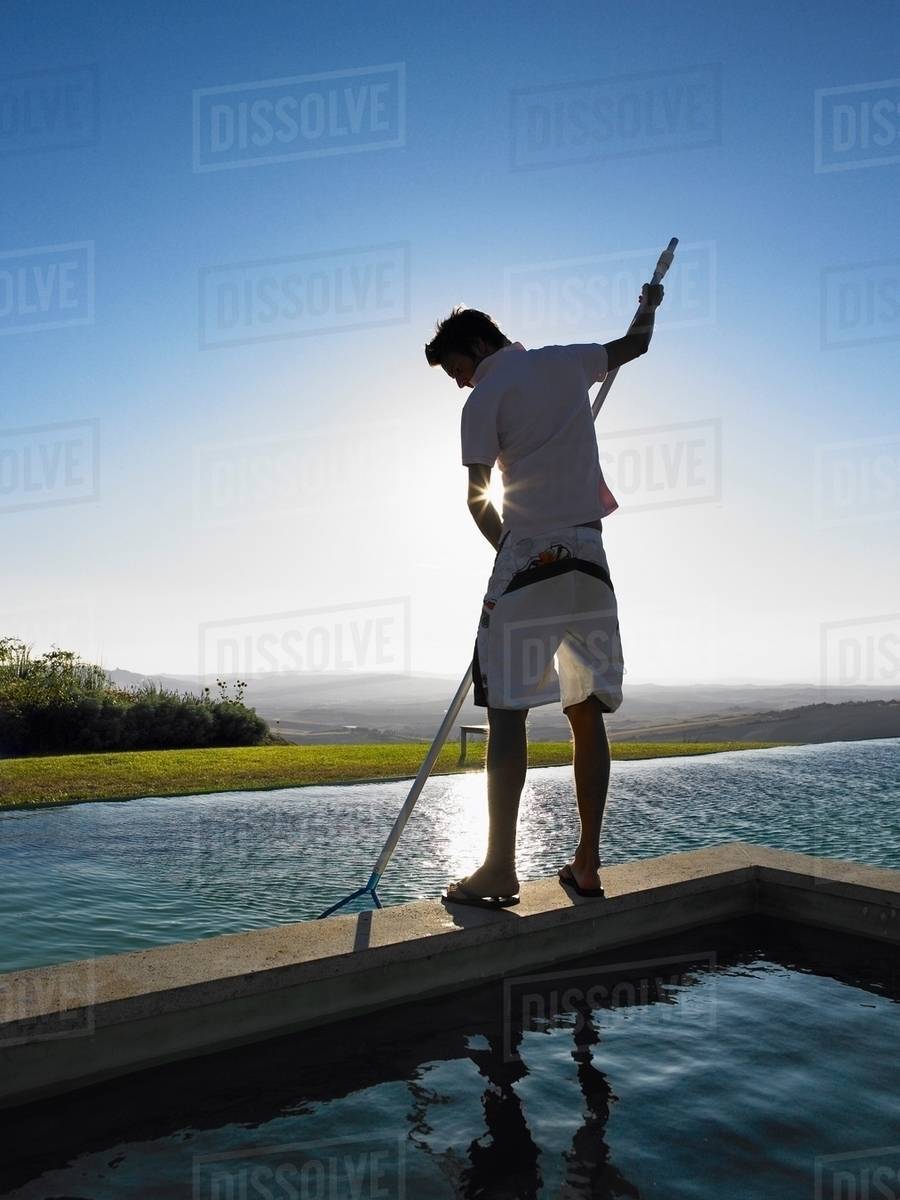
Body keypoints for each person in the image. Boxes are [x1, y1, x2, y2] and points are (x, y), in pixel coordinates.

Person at [424, 281, 665, 907]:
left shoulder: (483, 400)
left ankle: (500, 869)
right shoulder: (564, 360)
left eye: (456, 368)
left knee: (507, 709)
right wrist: (648, 303)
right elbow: (635, 345)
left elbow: (479, 501)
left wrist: (513, 549)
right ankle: (586, 864)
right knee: (585, 710)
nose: (457, 383)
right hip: (590, 556)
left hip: (529, 552)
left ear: (477, 344)